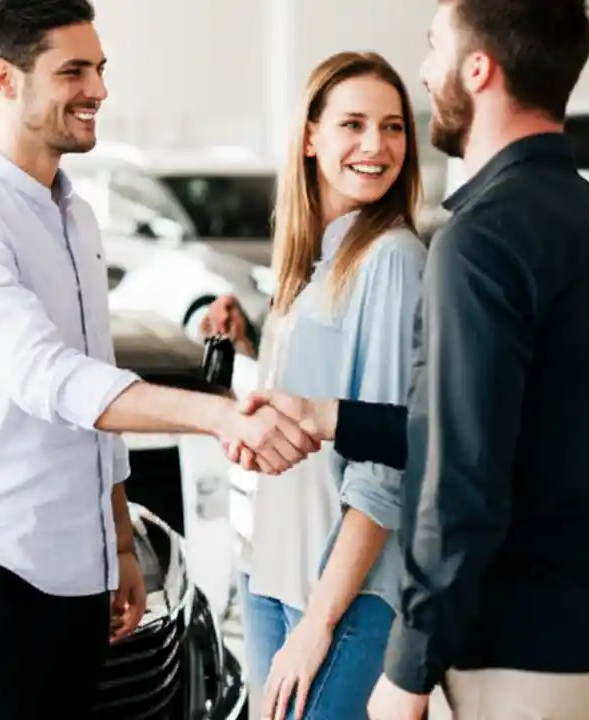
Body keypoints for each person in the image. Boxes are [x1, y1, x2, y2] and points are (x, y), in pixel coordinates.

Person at [233, 1, 589, 718]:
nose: (426, 72)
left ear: (477, 69)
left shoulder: (482, 238)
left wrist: (410, 667)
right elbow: (500, 429)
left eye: (434, 47)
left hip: (519, 647)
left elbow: (464, 472)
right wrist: (329, 416)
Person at [0, 2, 320, 718]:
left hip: (81, 570)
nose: (98, 90)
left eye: (99, 69)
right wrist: (219, 416)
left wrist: (119, 543)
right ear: (4, 78)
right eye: (74, 71)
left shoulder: (77, 215)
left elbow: (93, 383)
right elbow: (50, 378)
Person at [223, 51, 427, 720]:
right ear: (310, 136)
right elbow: (311, 398)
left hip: (343, 593)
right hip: (270, 571)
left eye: (393, 127)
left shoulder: (392, 257)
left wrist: (319, 623)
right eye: (354, 124)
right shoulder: (309, 260)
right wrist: (249, 346)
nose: (376, 145)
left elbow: (384, 467)